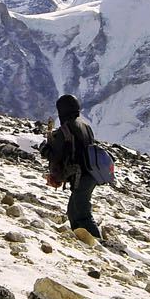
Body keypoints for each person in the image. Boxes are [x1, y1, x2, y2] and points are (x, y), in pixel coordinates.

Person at [40, 93, 101, 241]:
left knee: (81, 212)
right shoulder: (85, 126)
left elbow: (57, 154)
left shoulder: (66, 129)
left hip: (81, 175)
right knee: (74, 210)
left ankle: (98, 244)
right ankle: (83, 240)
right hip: (91, 173)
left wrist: (45, 149)